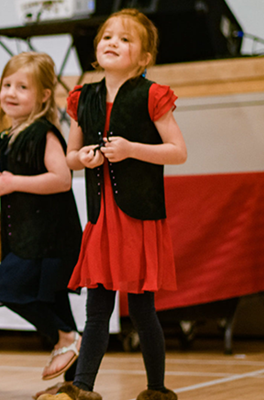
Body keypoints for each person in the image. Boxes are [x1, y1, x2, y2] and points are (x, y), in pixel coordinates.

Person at [38, 9, 187, 400]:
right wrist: (84, 157)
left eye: (124, 39)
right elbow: (70, 157)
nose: (112, 43)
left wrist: (133, 149)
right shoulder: (81, 97)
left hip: (139, 218)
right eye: (107, 36)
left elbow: (178, 151)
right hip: (102, 219)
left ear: (143, 58)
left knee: (142, 310)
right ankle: (82, 387)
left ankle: (157, 389)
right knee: (97, 309)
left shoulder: (153, 95)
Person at [0, 52, 84, 398]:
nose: (11, 93)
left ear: (44, 95)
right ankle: (74, 385)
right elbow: (9, 179)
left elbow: (62, 179)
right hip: (22, 236)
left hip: (48, 239)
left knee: (2, 287)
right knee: (52, 302)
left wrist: (13, 183)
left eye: (23, 87)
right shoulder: (6, 137)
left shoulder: (43, 133)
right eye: (7, 85)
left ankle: (66, 335)